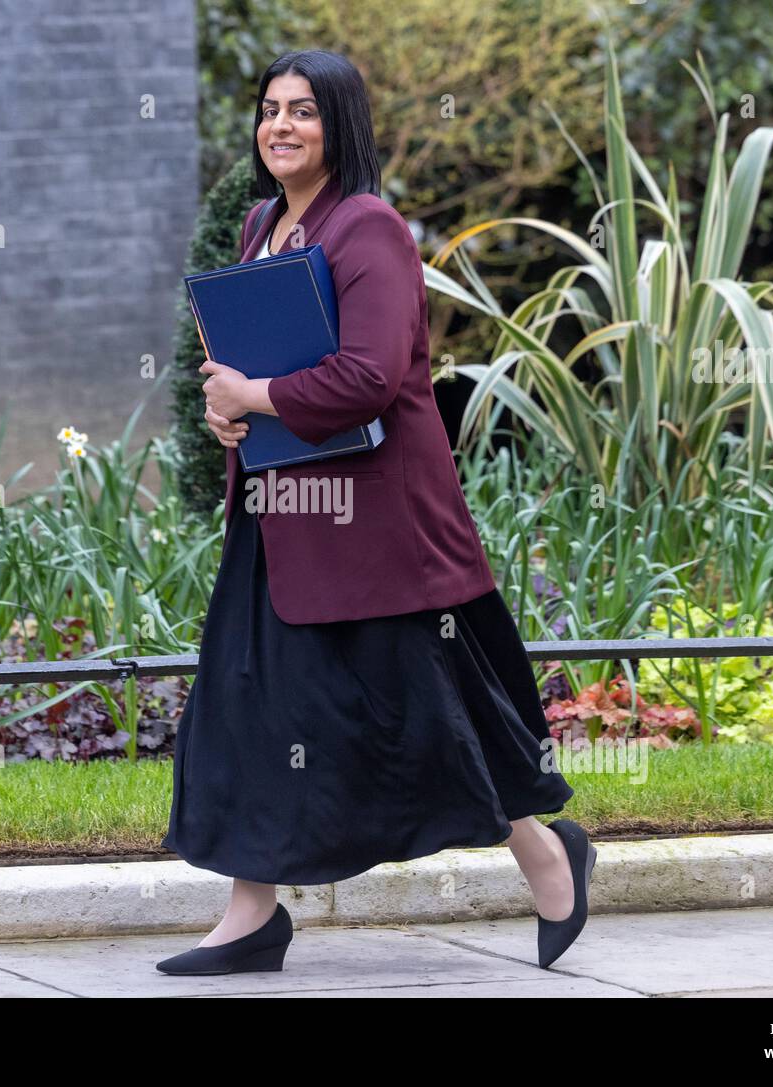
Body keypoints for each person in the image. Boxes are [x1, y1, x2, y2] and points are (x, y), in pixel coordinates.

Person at [157, 49, 596, 976]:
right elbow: (246, 364)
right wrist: (225, 406)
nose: (280, 126)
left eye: (303, 112)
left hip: (374, 533)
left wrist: (258, 390)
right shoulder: (260, 225)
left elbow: (364, 377)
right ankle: (251, 914)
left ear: (340, 126)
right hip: (278, 511)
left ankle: (550, 855)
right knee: (245, 705)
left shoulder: (373, 232)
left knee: (437, 711)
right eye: (270, 109)